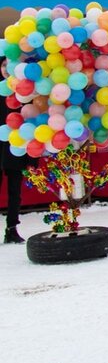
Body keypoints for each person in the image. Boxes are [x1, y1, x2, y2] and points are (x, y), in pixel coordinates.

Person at [1, 59, 33, 244]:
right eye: (3, 66)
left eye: (9, 66)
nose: (6, 69)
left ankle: (11, 228)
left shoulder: (22, 90)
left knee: (15, 191)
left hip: (15, 147)